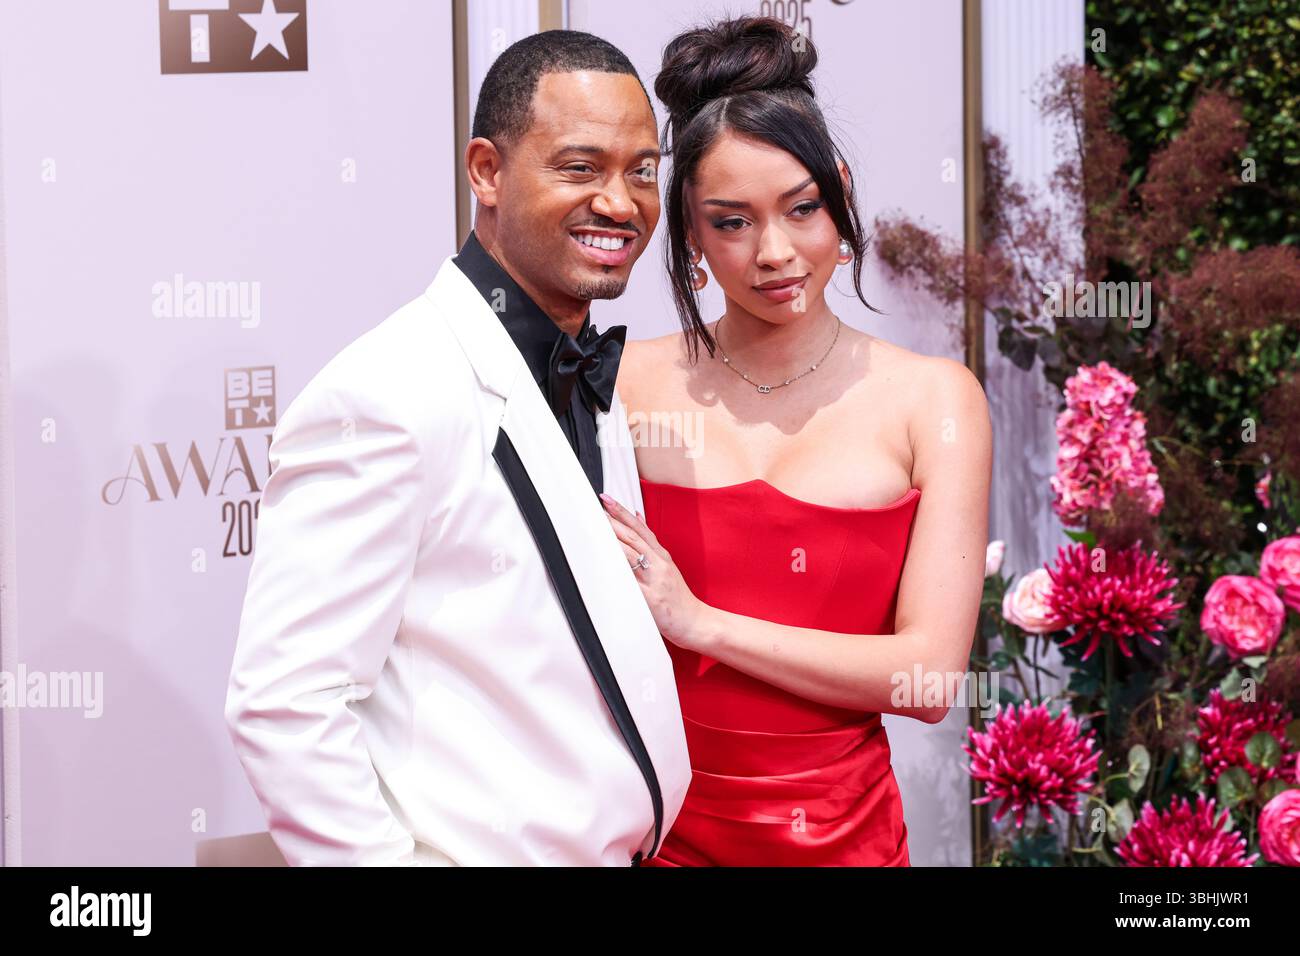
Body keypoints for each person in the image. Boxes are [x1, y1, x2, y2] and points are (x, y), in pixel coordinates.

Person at [223, 30, 691, 866]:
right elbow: (286, 702)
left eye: (643, 170)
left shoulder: (582, 366)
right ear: (486, 171)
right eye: (581, 168)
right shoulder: (389, 392)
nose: (621, 203)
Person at [603, 16, 992, 866]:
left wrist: (701, 625)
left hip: (847, 843)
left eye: (802, 208)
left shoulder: (933, 400)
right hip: (653, 837)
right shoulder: (623, 383)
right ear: (692, 234)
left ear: (841, 192)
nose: (774, 253)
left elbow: (928, 678)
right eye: (731, 221)